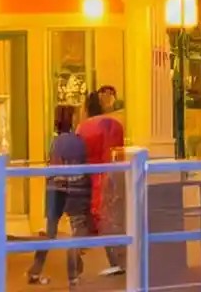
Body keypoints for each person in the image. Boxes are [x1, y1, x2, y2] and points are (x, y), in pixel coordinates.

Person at [28, 106, 92, 286]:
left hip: (54, 187)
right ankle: (73, 274)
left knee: (49, 232)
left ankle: (35, 270)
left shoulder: (54, 142)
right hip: (75, 187)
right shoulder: (78, 142)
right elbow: (83, 166)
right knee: (77, 228)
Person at [77, 90, 127, 277]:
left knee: (101, 218)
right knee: (117, 217)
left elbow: (82, 154)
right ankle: (121, 259)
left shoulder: (84, 128)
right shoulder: (116, 124)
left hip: (95, 177)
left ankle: (113, 260)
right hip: (118, 173)